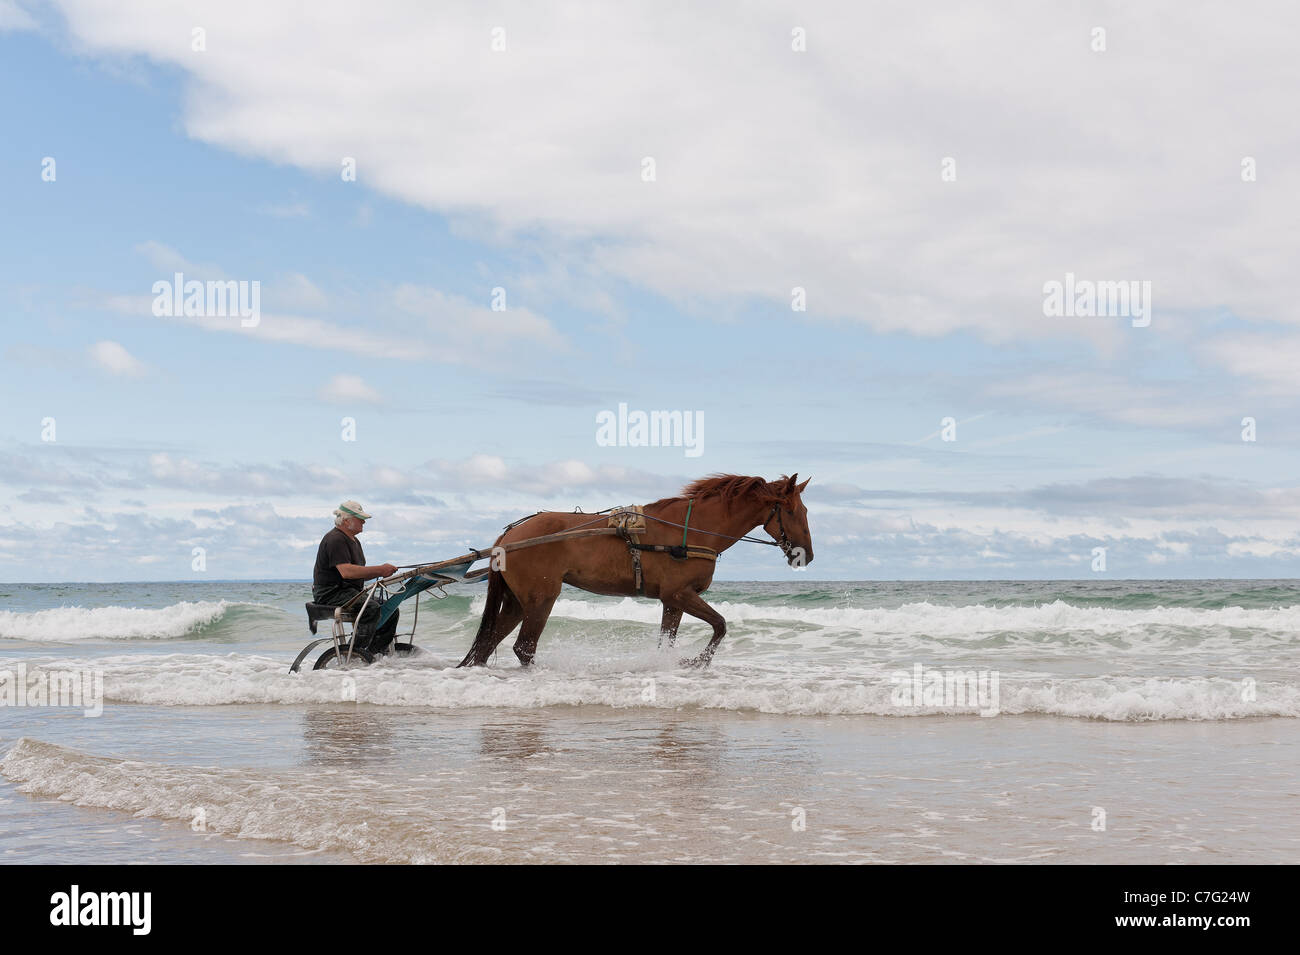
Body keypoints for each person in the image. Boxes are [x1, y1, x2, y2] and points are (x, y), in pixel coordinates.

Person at [312, 501, 401, 655]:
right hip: (330, 593)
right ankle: (357, 652)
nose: (364, 522)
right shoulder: (335, 539)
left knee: (391, 608)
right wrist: (380, 569)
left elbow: (356, 574)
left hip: (348, 590)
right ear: (347, 521)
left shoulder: (354, 540)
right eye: (360, 519)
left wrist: (381, 574)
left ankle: (377, 652)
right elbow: (347, 572)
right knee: (371, 607)